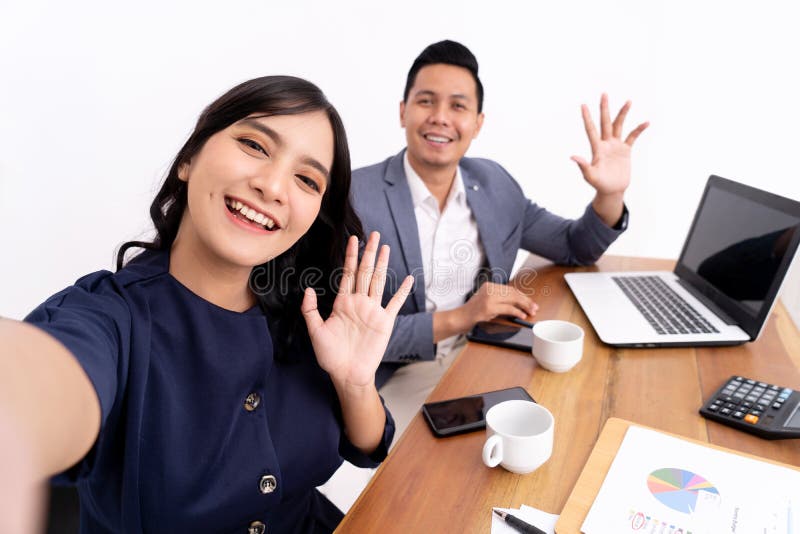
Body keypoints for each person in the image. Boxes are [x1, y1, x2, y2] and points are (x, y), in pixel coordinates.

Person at [0, 75, 412, 533]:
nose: (274, 186)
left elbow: (369, 445)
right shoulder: (110, 318)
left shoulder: (310, 311)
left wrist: (353, 382)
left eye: (306, 179)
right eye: (255, 146)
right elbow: (34, 385)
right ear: (188, 160)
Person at [350, 40, 649, 436]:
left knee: (575, 413)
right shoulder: (355, 198)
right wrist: (463, 315)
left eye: (458, 106)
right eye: (426, 101)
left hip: (481, 352)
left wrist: (609, 194)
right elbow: (349, 338)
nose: (440, 117)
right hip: (395, 376)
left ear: (477, 123)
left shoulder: (495, 184)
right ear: (403, 111)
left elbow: (576, 246)